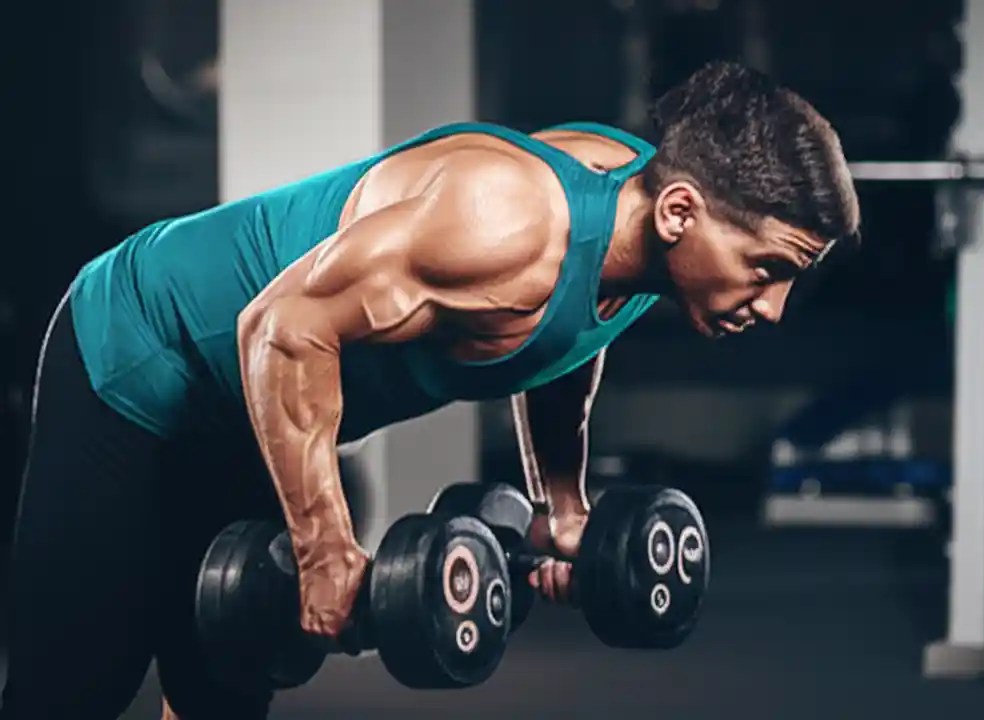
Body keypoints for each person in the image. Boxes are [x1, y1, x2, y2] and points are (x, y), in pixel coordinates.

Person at [1, 60, 860, 719]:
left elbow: (570, 338)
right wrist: (326, 546)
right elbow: (281, 328)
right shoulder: (504, 224)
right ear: (680, 213)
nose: (776, 307)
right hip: (143, 348)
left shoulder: (642, 227)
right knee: (74, 684)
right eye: (768, 269)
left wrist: (561, 503)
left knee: (223, 674)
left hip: (254, 406)